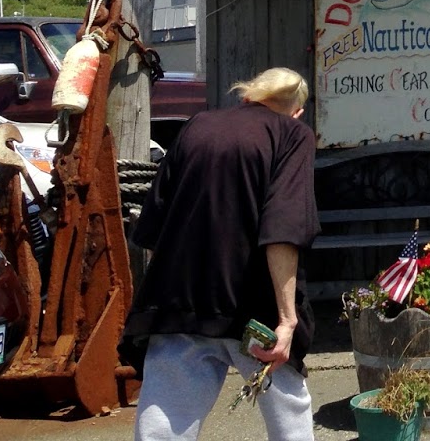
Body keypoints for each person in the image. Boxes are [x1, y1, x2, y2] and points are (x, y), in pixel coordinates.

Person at [124, 67, 320, 441]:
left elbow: (150, 228)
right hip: (255, 309)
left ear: (248, 96)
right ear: (296, 111)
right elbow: (283, 228)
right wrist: (287, 319)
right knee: (289, 420)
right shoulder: (293, 134)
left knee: (161, 430)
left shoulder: (198, 125)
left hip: (178, 302)